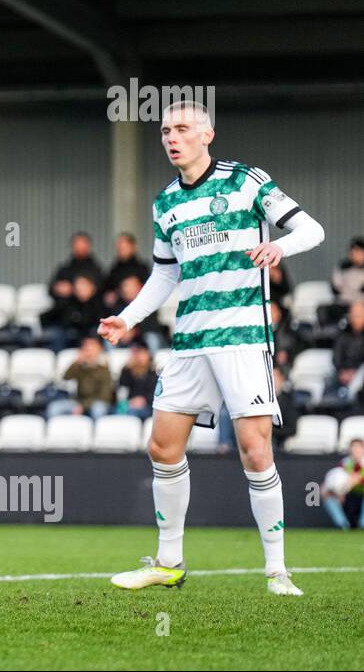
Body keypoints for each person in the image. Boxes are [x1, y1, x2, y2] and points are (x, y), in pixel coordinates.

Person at [99, 100, 324, 596]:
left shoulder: (246, 181)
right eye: (164, 131)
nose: (171, 138)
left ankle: (276, 572)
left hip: (242, 336)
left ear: (208, 134)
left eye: (182, 128)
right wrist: (128, 318)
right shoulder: (165, 203)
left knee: (253, 449)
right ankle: (169, 561)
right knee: (162, 445)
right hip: (190, 340)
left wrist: (279, 247)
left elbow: (311, 229)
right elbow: (165, 273)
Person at [47, 336, 114, 419]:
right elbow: (66, 377)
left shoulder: (104, 369)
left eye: (91, 348)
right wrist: (77, 362)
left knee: (98, 409)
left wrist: (83, 406)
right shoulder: (80, 367)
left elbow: (105, 396)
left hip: (97, 402)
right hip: (79, 401)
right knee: (54, 408)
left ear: (99, 350)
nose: (88, 352)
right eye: (86, 348)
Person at [322, 438, 364, 530]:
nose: (356, 450)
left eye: (358, 447)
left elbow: (357, 479)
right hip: (350, 495)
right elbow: (335, 480)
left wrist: (344, 488)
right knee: (326, 493)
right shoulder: (345, 463)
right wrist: (335, 491)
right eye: (354, 447)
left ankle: (362, 524)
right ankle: (342, 524)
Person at [49, 232, 103, 302]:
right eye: (77, 244)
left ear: (88, 246)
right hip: (66, 307)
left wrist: (76, 290)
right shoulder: (65, 269)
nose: (79, 247)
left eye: (82, 243)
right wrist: (57, 288)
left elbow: (102, 288)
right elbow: (51, 288)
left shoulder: (95, 269)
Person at [101, 233, 150, 307]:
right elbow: (107, 289)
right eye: (119, 248)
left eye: (123, 247)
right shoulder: (114, 269)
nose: (120, 250)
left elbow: (148, 290)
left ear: (133, 247)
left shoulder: (142, 268)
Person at [117, 342, 158, 419]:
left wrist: (143, 400)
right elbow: (122, 391)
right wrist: (127, 402)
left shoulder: (153, 371)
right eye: (135, 353)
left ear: (147, 354)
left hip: (148, 406)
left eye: (141, 353)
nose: (138, 356)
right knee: (118, 412)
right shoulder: (127, 371)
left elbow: (156, 394)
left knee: (132, 412)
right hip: (129, 405)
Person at [331, 238, 364, 306]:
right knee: (322, 310)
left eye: (357, 251)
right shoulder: (343, 266)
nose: (353, 254)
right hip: (344, 302)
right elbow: (336, 287)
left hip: (361, 303)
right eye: (352, 251)